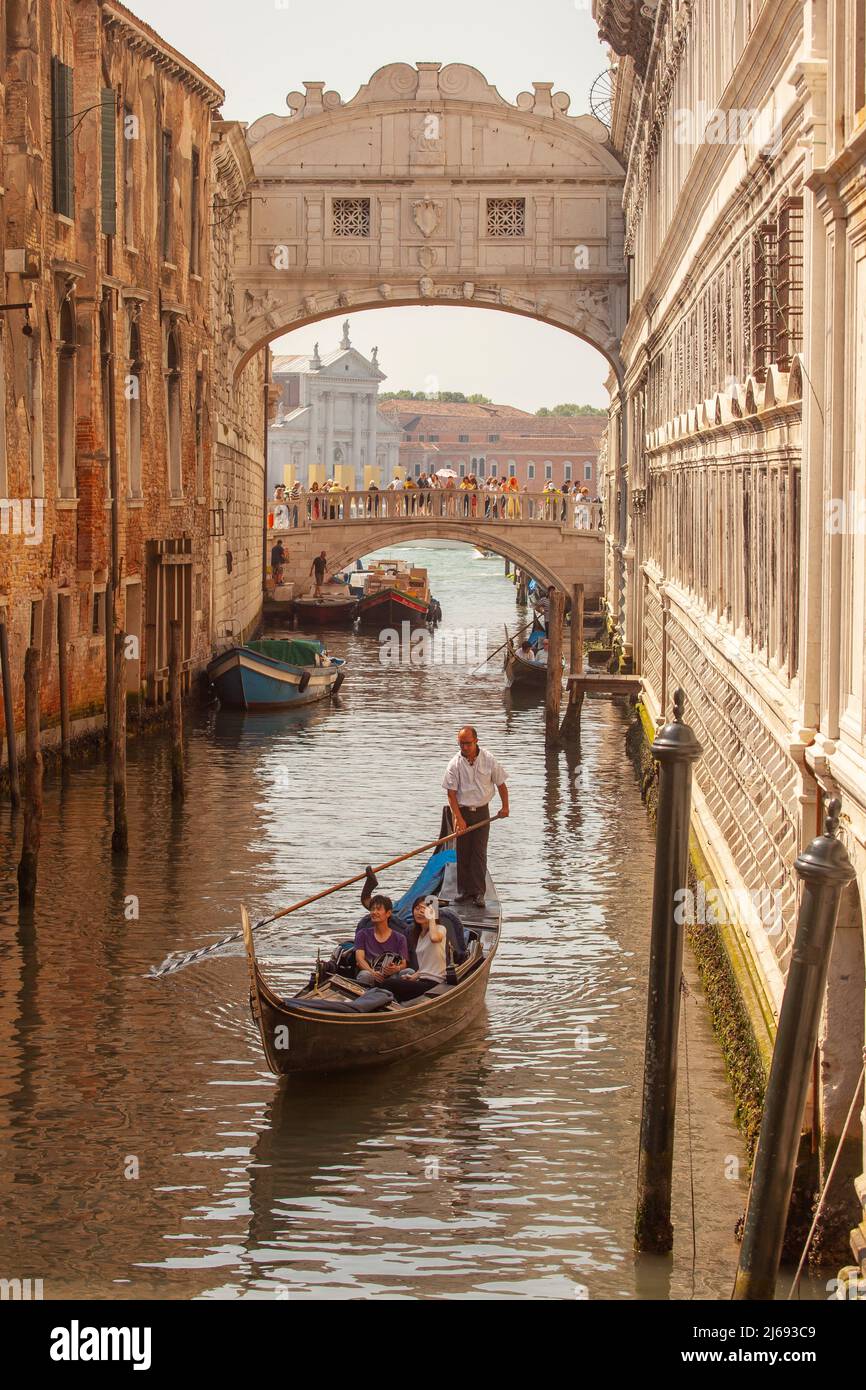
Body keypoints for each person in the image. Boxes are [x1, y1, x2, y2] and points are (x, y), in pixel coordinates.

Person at [442, 726, 509, 909]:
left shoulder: (488, 759)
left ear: (476, 741)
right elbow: (451, 794)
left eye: (468, 744)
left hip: (481, 812)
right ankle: (464, 891)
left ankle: (478, 892)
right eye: (461, 744)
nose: (464, 747)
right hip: (462, 811)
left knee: (478, 852)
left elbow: (501, 785)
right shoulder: (454, 764)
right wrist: (458, 818)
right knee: (463, 852)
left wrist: (505, 807)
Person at [354, 895, 413, 987]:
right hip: (371, 974)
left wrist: (396, 968)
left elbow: (403, 964)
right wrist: (372, 972)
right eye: (372, 909)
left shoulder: (400, 938)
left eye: (378, 909)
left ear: (388, 913)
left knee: (409, 972)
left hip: (391, 976)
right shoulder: (362, 934)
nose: (374, 912)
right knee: (365, 975)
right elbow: (359, 959)